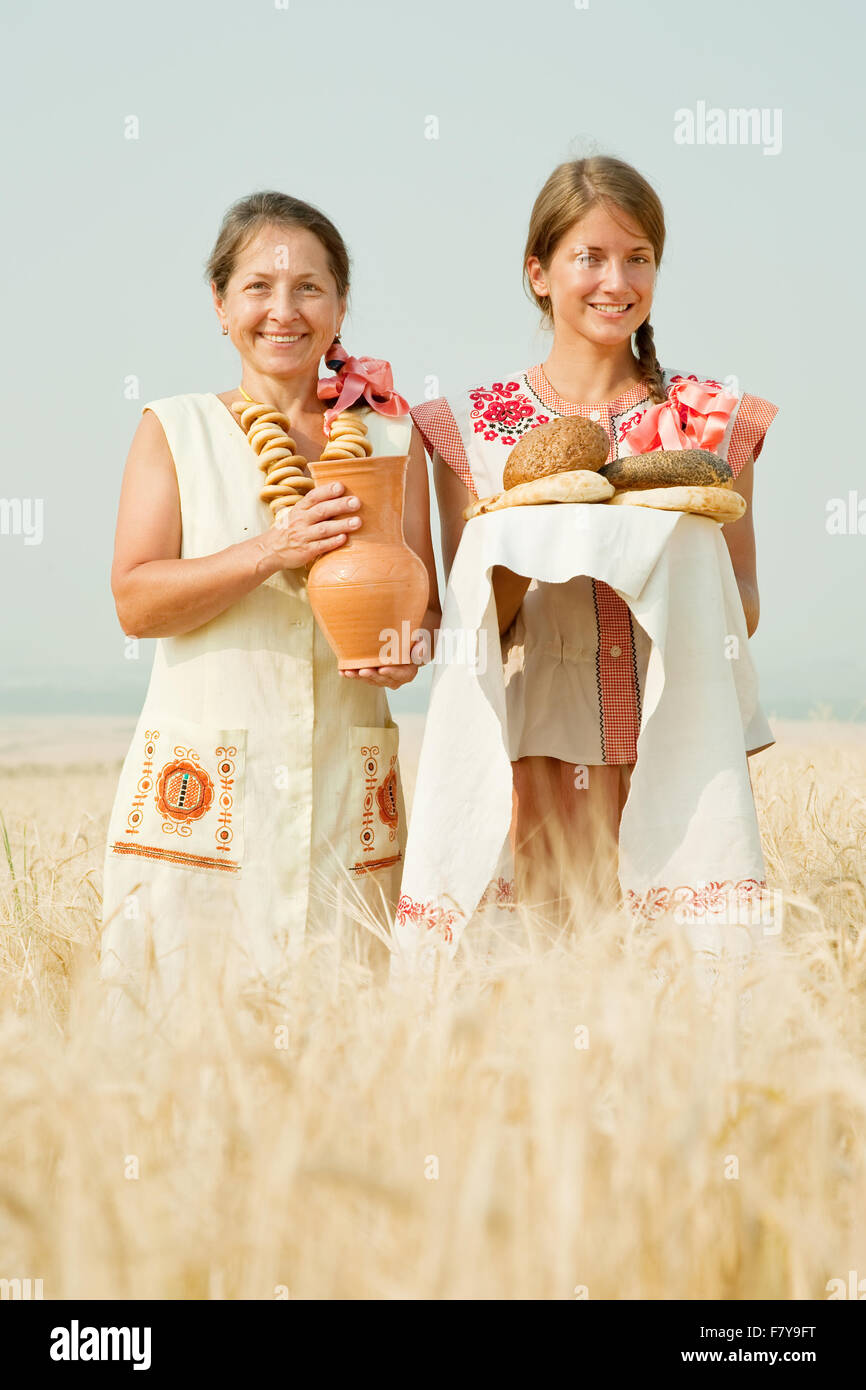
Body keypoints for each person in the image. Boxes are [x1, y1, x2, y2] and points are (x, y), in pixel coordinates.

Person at [99, 190, 441, 1028]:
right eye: (257, 287)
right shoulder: (174, 430)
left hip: (344, 787)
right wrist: (270, 551)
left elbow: (427, 608)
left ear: (341, 308)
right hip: (205, 798)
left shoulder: (395, 442)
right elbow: (135, 602)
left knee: (341, 1051)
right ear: (220, 306)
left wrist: (405, 648)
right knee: (181, 1047)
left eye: (309, 288)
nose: (282, 310)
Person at [411, 156, 777, 925]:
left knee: (681, 996)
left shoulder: (708, 420)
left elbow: (743, 604)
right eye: (591, 257)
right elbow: (478, 622)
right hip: (540, 750)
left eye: (638, 257)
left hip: (679, 743)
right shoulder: (472, 431)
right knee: (546, 991)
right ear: (539, 272)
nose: (618, 281)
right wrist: (537, 536)